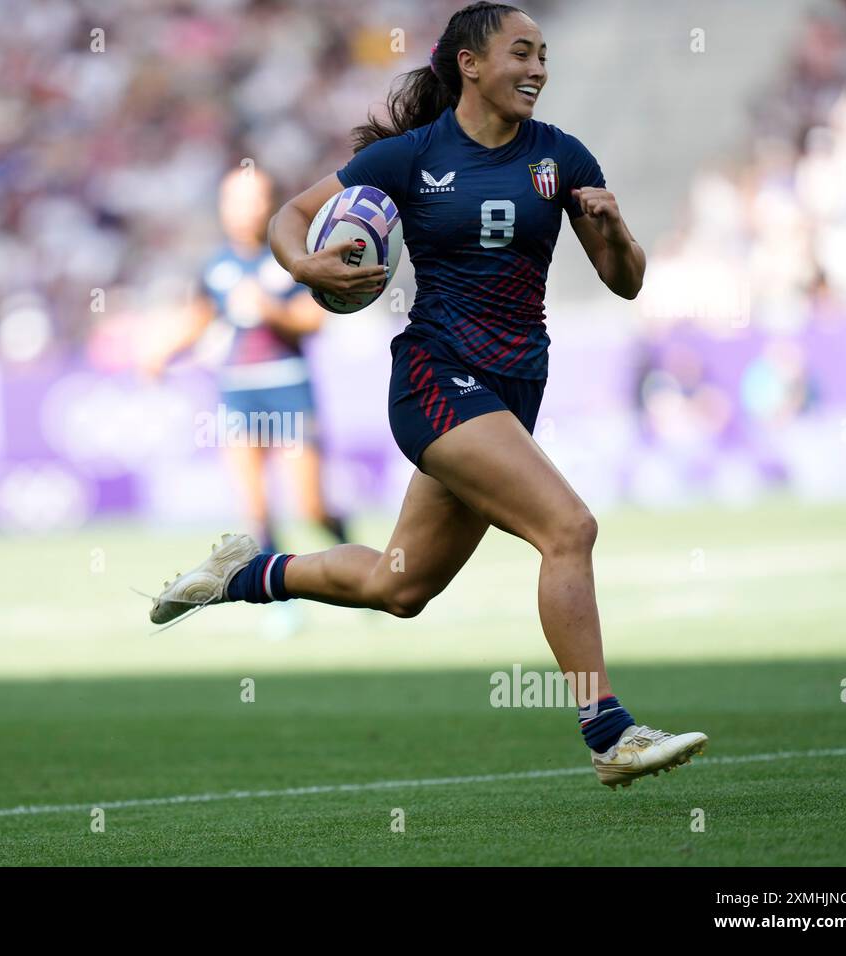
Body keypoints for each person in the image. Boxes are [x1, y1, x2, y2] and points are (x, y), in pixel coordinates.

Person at [148, 2, 707, 789]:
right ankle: (608, 733)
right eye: (522, 52)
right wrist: (305, 269)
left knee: (399, 585)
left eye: (545, 53)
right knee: (568, 528)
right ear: (470, 64)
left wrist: (615, 233)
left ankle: (240, 574)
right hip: (436, 380)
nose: (540, 67)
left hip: (513, 388)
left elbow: (625, 283)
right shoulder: (412, 157)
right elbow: (292, 215)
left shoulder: (563, 157)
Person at [145, 168, 350, 636]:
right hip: (238, 389)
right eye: (235, 201)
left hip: (288, 385)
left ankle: (357, 564)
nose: (244, 211)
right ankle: (283, 603)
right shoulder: (216, 266)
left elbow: (316, 320)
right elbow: (200, 318)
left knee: (311, 506)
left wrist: (271, 309)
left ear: (271, 204)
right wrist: (162, 351)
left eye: (253, 200)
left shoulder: (293, 258)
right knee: (256, 509)